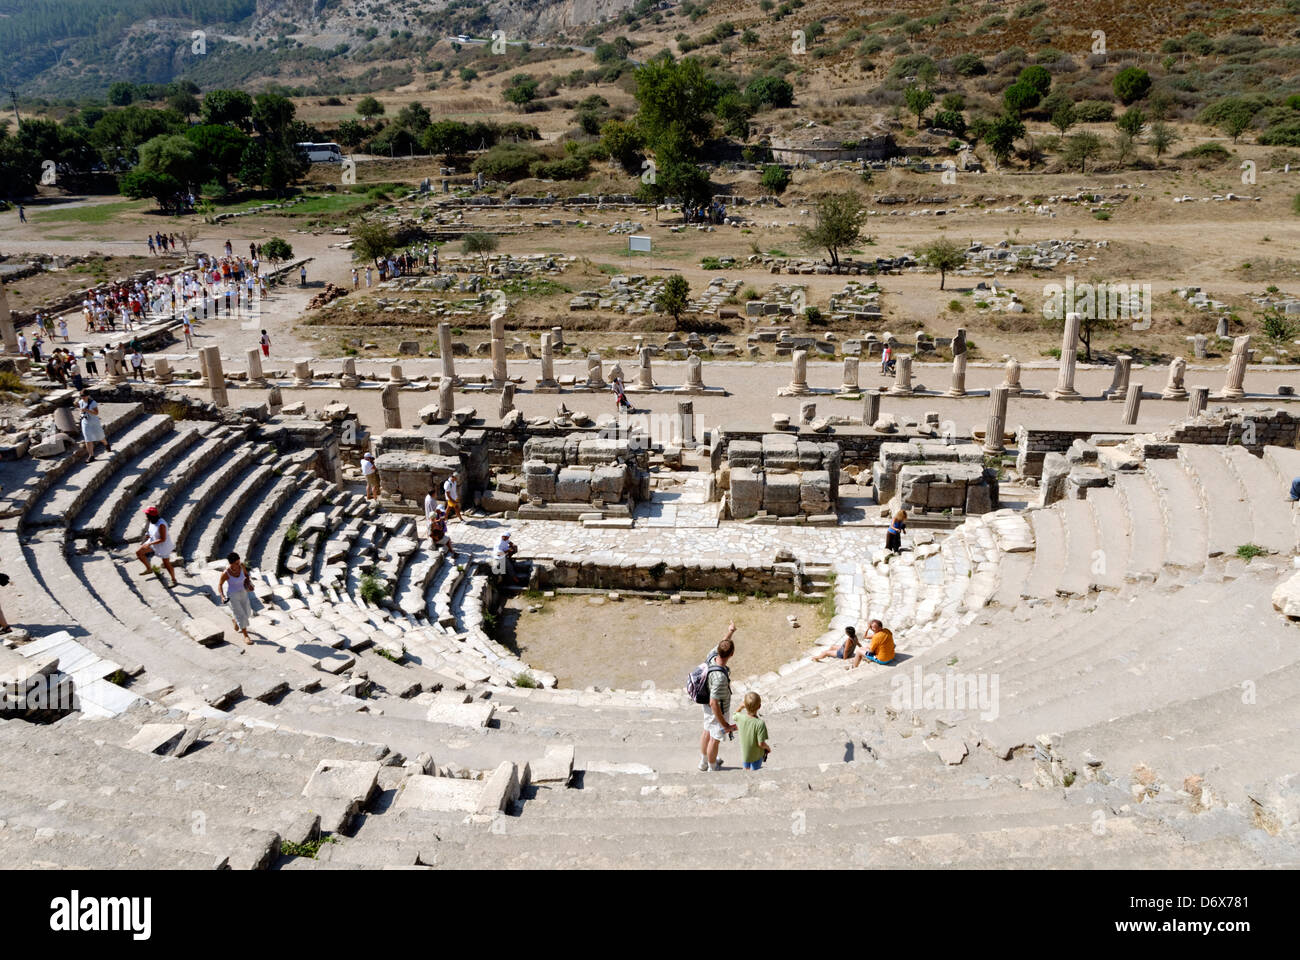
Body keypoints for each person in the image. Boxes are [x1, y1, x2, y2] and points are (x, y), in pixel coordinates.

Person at [698, 622, 737, 772]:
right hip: (717, 709)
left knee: (706, 731)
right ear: (732, 654)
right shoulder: (720, 678)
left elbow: (722, 644)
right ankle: (712, 767)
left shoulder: (712, 656)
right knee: (715, 738)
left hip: (706, 704)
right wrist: (725, 725)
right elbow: (714, 703)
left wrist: (730, 632)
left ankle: (703, 762)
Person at [136, 506, 179, 587]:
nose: (146, 516)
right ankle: (149, 569)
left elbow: (163, 539)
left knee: (166, 564)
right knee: (139, 553)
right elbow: (150, 531)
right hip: (153, 541)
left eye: (147, 515)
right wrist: (147, 535)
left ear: (151, 516)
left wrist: (149, 544)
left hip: (163, 545)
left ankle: (174, 580)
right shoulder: (152, 521)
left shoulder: (161, 524)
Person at [219, 551, 254, 645]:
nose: (239, 564)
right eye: (236, 563)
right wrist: (222, 596)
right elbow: (220, 585)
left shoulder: (241, 566)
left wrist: (248, 583)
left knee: (247, 612)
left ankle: (234, 619)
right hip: (233, 594)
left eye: (239, 562)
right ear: (231, 563)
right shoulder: (226, 573)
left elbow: (246, 575)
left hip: (243, 592)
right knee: (241, 615)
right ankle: (246, 636)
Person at [732, 691, 771, 771]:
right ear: (759, 706)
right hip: (756, 755)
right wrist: (768, 748)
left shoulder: (740, 718)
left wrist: (740, 707)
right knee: (755, 771)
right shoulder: (760, 724)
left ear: (745, 706)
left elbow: (734, 714)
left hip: (745, 754)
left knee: (746, 769)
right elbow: (761, 744)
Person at [77, 391, 111, 461]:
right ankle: (91, 456)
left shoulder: (93, 403)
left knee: (100, 436)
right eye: (81, 396)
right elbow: (81, 410)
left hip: (94, 422)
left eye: (84, 396)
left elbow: (96, 413)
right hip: (85, 422)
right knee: (87, 439)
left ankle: (106, 444)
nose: (83, 397)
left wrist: (87, 410)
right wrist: (81, 413)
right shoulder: (80, 402)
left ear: (88, 395)